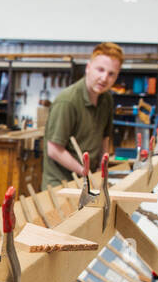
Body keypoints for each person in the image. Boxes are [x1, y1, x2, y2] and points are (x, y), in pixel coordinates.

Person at [40, 42, 123, 188]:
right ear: (88, 67)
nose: (104, 78)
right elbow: (54, 150)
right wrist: (84, 172)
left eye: (111, 74)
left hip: (87, 181)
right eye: (100, 70)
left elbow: (104, 137)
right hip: (61, 185)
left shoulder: (106, 99)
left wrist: (101, 167)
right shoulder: (67, 101)